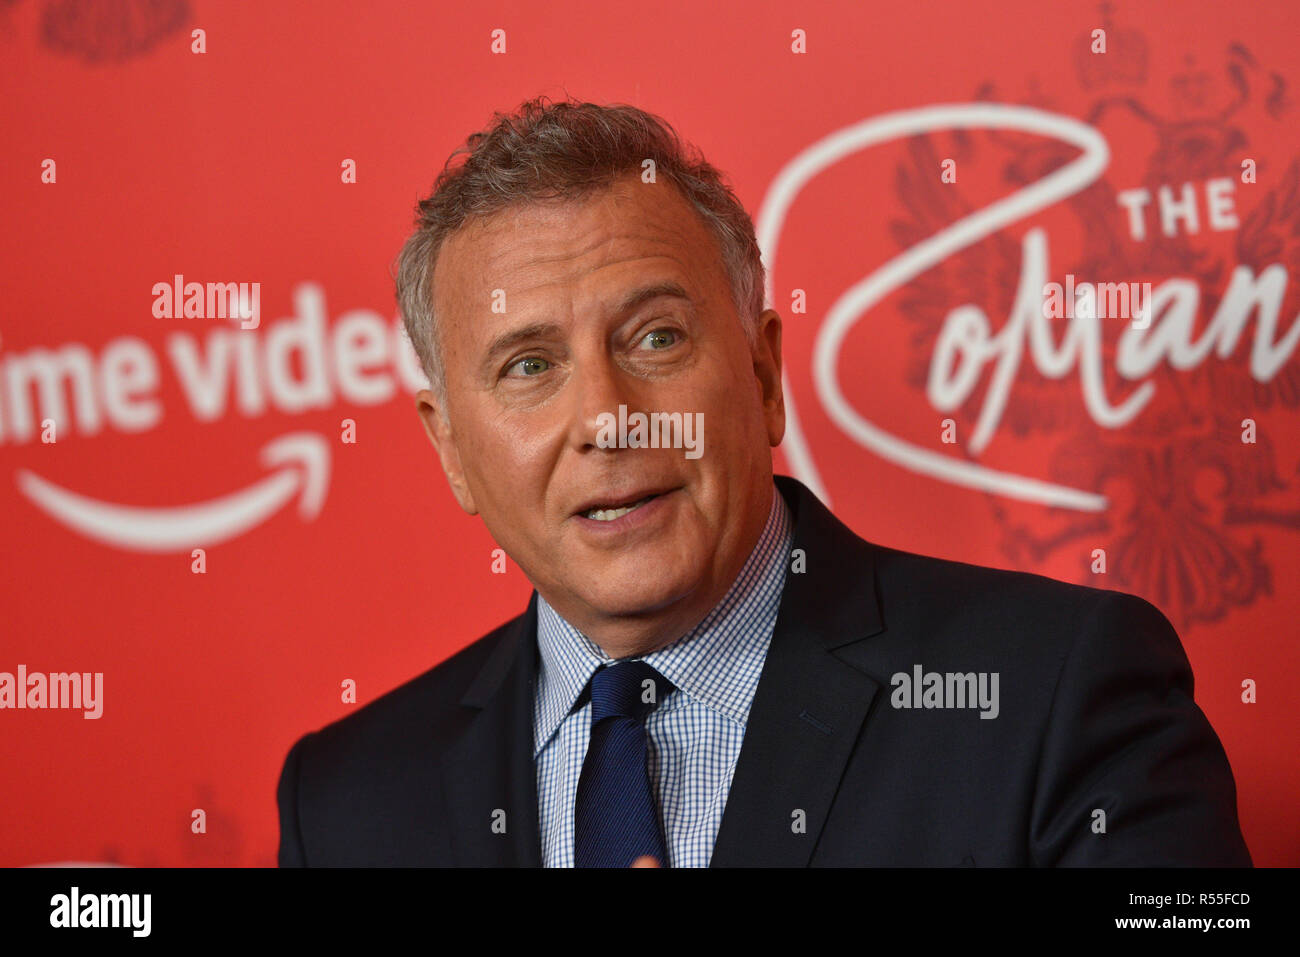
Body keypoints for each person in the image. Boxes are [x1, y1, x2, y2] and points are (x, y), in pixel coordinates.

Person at [276, 96, 1251, 867]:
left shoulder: (1054, 694)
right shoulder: (350, 800)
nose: (607, 418)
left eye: (655, 337)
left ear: (763, 375)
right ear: (449, 447)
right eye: (527, 366)